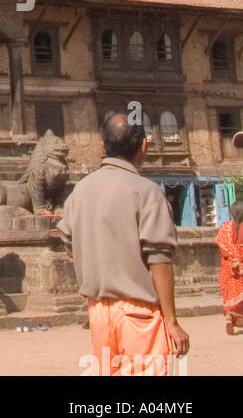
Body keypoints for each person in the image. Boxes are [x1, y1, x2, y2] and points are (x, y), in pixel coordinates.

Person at [57, 113, 189, 375]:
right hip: (139, 313)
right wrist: (172, 321)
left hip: (98, 312)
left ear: (103, 146)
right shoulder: (147, 192)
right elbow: (159, 259)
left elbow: (69, 244)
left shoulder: (80, 191)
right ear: (144, 146)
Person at [215, 200, 243, 333]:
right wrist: (238, 258)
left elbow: (222, 247)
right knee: (239, 296)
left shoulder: (225, 227)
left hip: (227, 267)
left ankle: (229, 319)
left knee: (228, 294)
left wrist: (231, 257)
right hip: (241, 267)